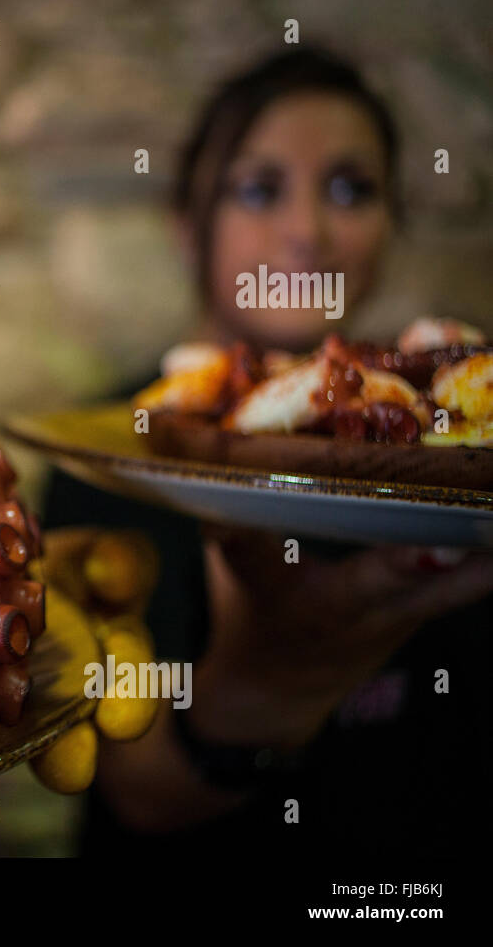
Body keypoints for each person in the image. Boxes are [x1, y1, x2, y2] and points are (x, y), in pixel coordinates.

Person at [43, 48, 493, 855]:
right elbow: (135, 790)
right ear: (187, 228)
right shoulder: (110, 456)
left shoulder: (453, 449)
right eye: (258, 189)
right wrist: (271, 689)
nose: (307, 232)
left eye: (351, 189)